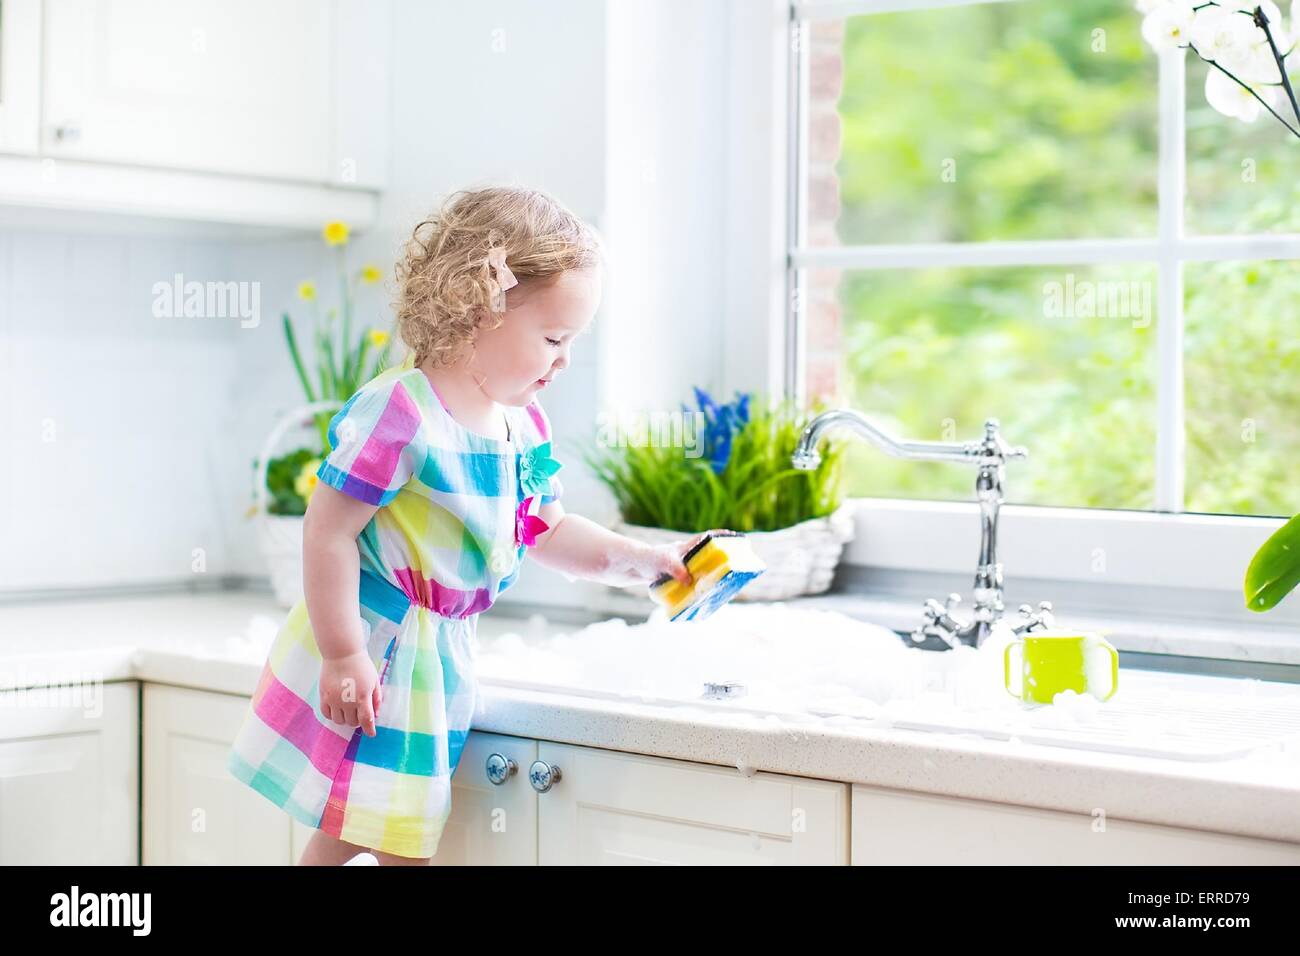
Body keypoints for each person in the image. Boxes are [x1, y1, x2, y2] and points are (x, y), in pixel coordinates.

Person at [226, 185, 722, 865]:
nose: (564, 360)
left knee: (357, 827)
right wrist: (345, 654)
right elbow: (327, 531)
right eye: (553, 338)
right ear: (476, 310)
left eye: (573, 341)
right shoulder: (401, 411)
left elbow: (547, 529)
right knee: (400, 841)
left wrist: (644, 561)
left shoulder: (523, 426)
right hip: (384, 646)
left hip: (440, 655)